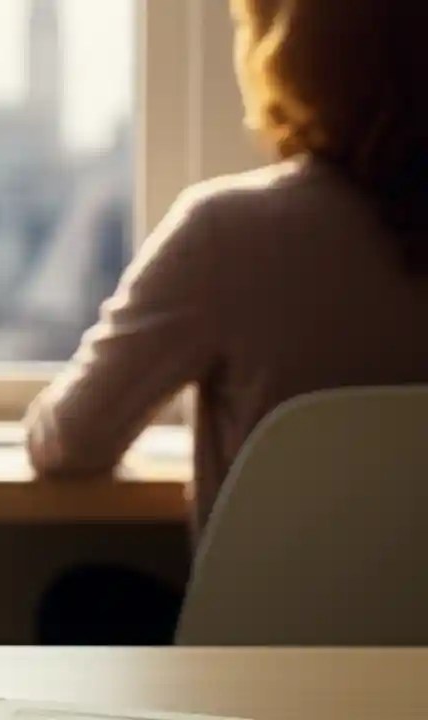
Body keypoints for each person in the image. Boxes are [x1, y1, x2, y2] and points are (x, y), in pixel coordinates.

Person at [28, 0, 428, 642]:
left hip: (256, 670)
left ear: (291, 60)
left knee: (80, 602)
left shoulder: (229, 231)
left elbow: (71, 443)